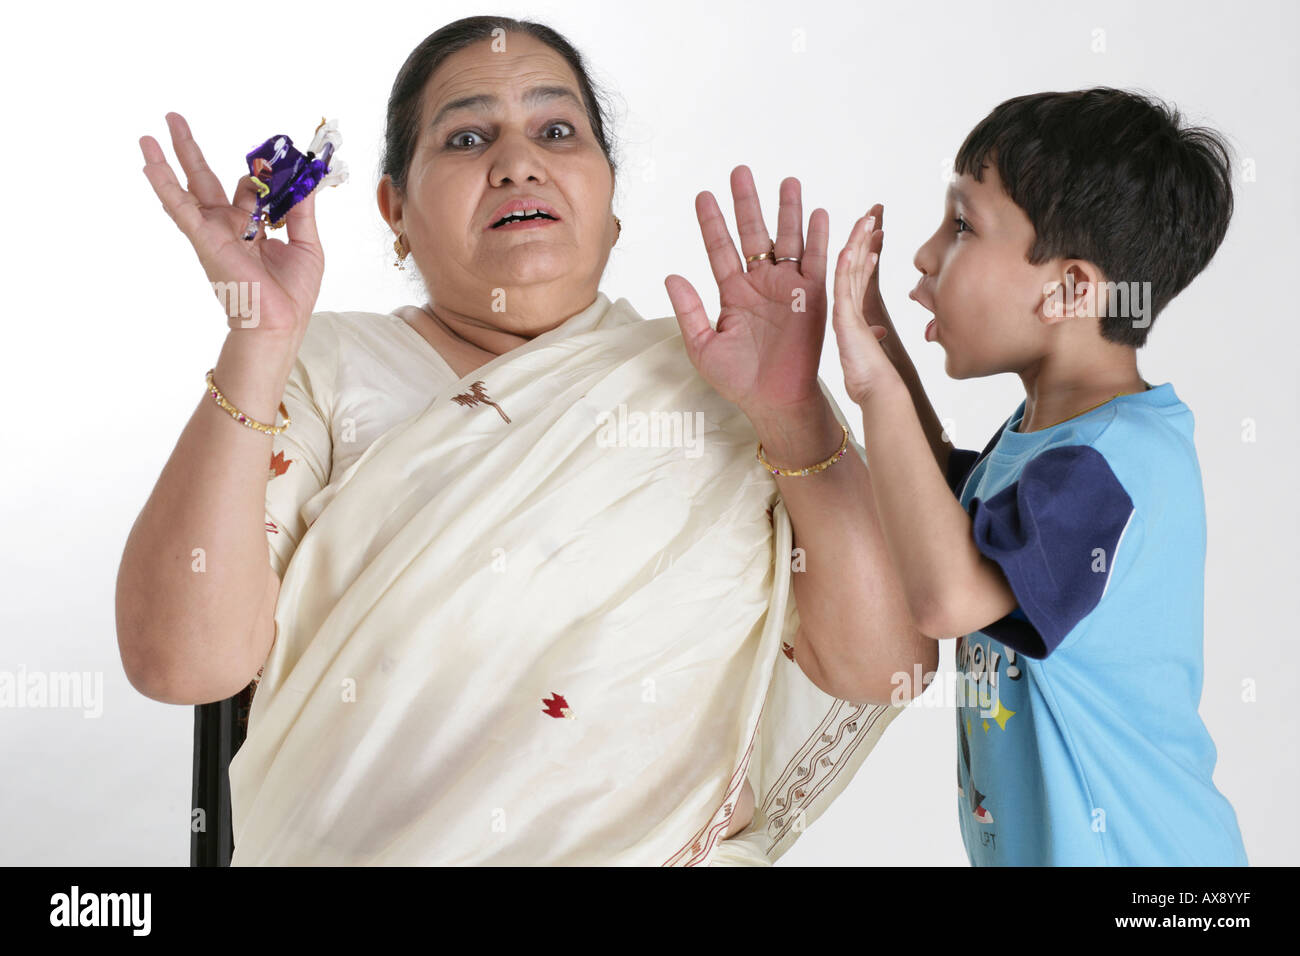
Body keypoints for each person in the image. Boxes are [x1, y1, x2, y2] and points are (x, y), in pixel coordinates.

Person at [117, 15, 936, 865]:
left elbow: (888, 669)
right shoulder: (321, 366)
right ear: (395, 208)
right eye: (468, 136)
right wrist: (255, 344)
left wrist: (792, 411)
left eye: (556, 130)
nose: (518, 161)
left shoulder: (727, 382)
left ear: (610, 195)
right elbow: (182, 665)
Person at [822, 88, 1249, 865]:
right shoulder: (1049, 441)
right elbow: (947, 513)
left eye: (961, 226)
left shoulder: (1117, 462)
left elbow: (949, 594)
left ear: (1072, 290)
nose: (924, 255)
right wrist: (884, 347)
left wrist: (875, 389)